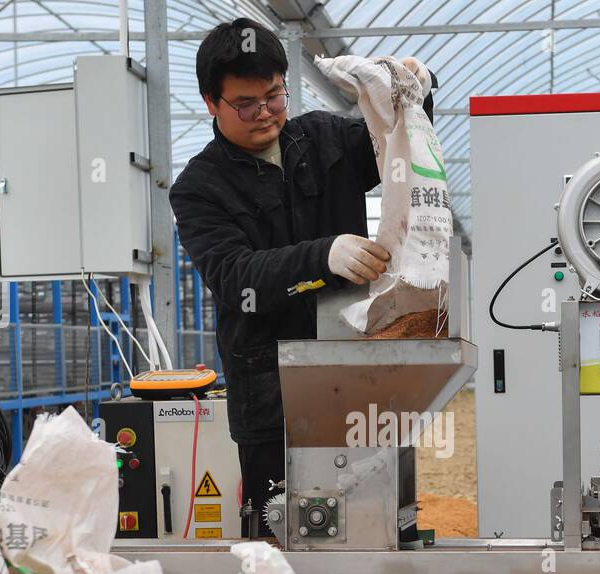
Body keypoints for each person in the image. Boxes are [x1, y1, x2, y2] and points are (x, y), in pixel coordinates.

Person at [169, 18, 433, 537]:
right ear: (210, 103)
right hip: (273, 396)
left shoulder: (323, 139)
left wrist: (412, 93)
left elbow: (396, 143)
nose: (265, 112)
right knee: (282, 537)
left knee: (381, 525)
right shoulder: (200, 188)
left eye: (274, 95)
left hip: (361, 376)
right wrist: (322, 257)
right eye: (246, 103)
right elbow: (234, 278)